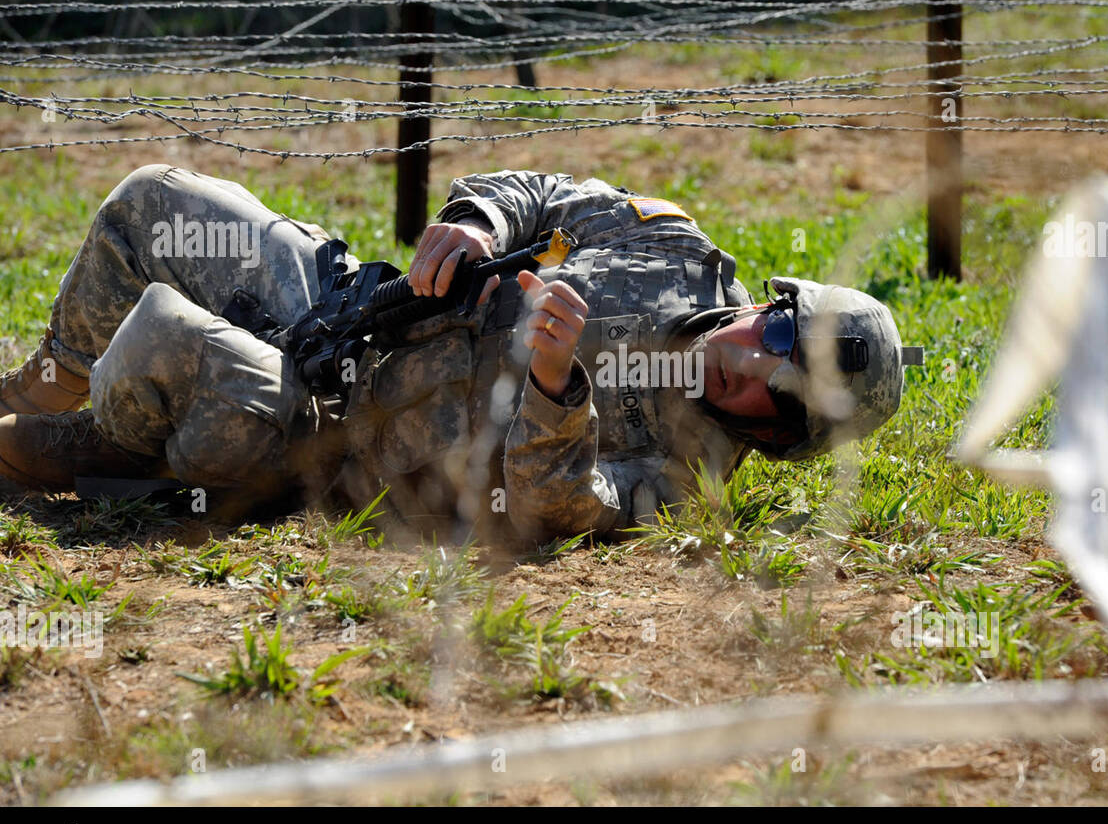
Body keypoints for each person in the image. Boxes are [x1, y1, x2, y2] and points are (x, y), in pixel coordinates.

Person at [0, 165, 913, 543]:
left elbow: (562, 508)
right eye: (780, 338)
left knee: (162, 337)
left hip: (327, 434)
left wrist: (554, 388)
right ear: (772, 304)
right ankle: (39, 391)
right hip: (351, 309)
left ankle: (108, 450)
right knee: (152, 201)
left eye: (782, 395)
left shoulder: (684, 480)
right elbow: (540, 193)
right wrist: (476, 224)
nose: (752, 368)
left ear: (781, 438)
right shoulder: (673, 246)